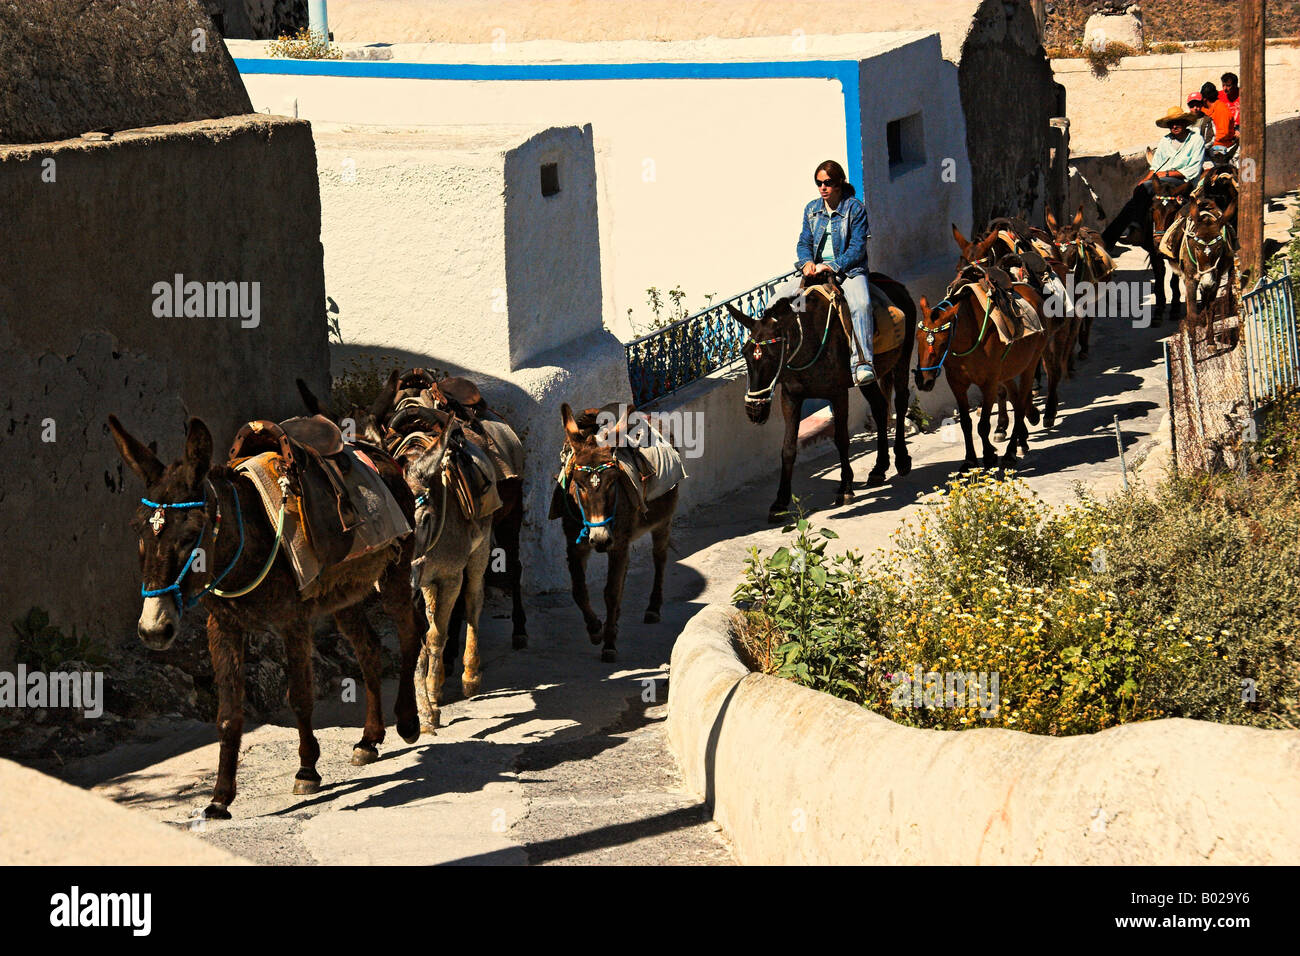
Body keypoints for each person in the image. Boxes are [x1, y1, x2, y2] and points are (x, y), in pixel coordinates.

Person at [778, 160, 875, 384]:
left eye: (828, 183)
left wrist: (833, 265)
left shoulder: (855, 209)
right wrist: (806, 263)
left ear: (839, 183)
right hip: (815, 272)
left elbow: (858, 247)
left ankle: (862, 362)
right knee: (782, 301)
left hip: (848, 271)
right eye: (819, 183)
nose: (823, 187)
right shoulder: (811, 210)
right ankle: (786, 358)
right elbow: (804, 241)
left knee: (861, 305)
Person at [1100, 106, 1206, 251]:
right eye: (1171, 123)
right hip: (1162, 180)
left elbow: (1192, 170)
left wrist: (1166, 174)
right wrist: (1144, 180)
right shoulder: (1165, 141)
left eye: (1178, 122)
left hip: (1183, 182)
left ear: (1185, 123)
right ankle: (1112, 237)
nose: (1174, 126)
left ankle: (1123, 232)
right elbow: (1155, 167)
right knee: (1141, 189)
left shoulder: (1196, 140)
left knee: (1148, 188)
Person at [1199, 81, 1237, 159]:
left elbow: (1223, 133)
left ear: (1204, 99)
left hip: (1220, 147)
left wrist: (1207, 145)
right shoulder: (1205, 109)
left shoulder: (1221, 109)